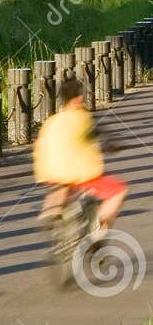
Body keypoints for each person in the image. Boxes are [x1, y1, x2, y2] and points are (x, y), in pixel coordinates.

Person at [33, 75, 128, 234]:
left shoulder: (50, 122)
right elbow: (103, 137)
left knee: (61, 188)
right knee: (119, 191)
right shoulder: (84, 118)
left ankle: (52, 209)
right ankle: (98, 226)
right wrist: (113, 146)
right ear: (79, 98)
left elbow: (40, 146)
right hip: (82, 175)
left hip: (52, 175)